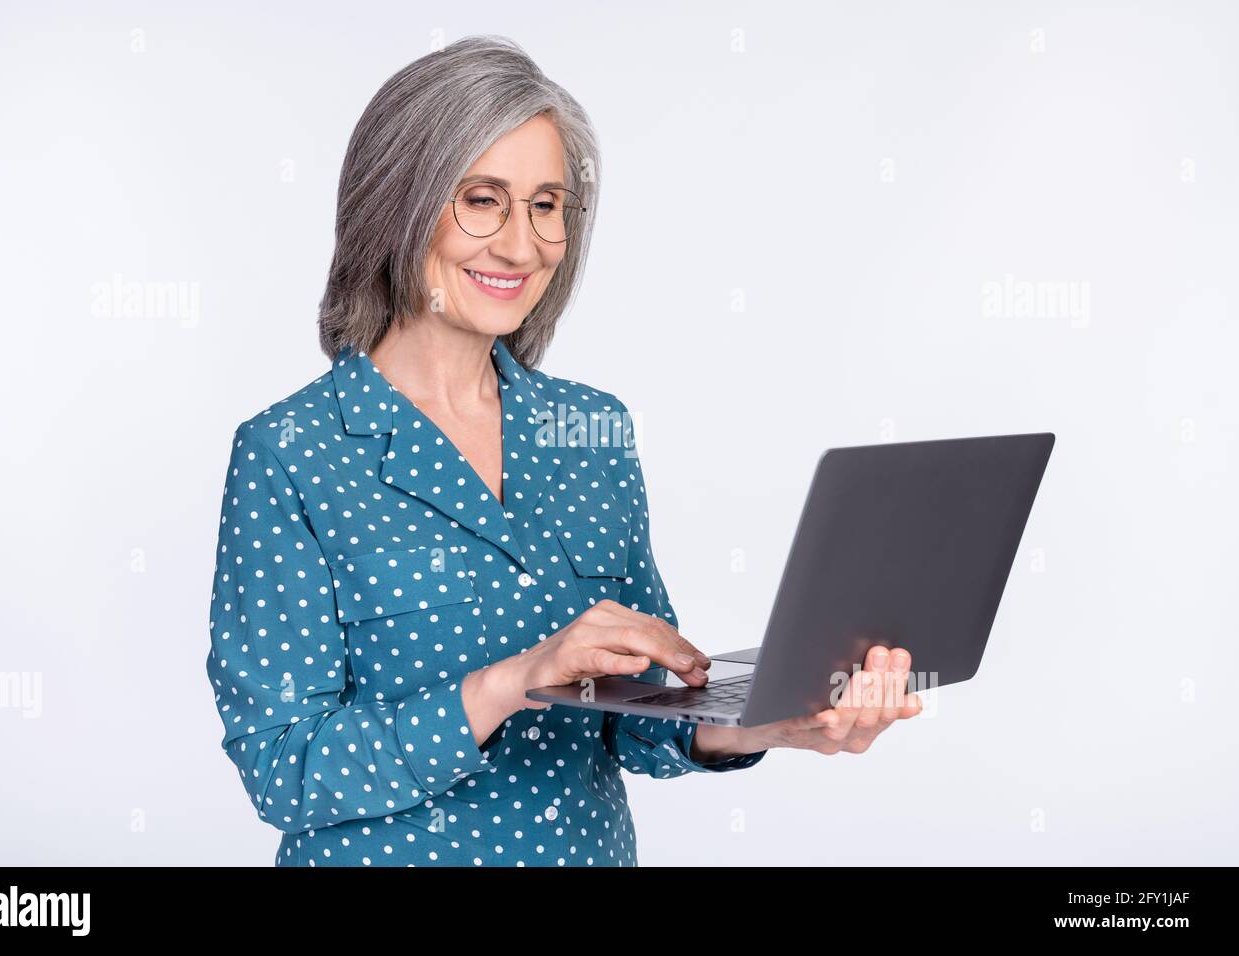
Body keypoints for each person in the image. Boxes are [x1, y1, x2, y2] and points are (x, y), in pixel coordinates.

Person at [204, 35, 922, 867]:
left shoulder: (593, 432)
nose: (521, 245)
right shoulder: (292, 453)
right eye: (482, 199)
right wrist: (513, 680)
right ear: (396, 203)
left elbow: (636, 720)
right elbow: (283, 770)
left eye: (547, 205)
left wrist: (767, 722)